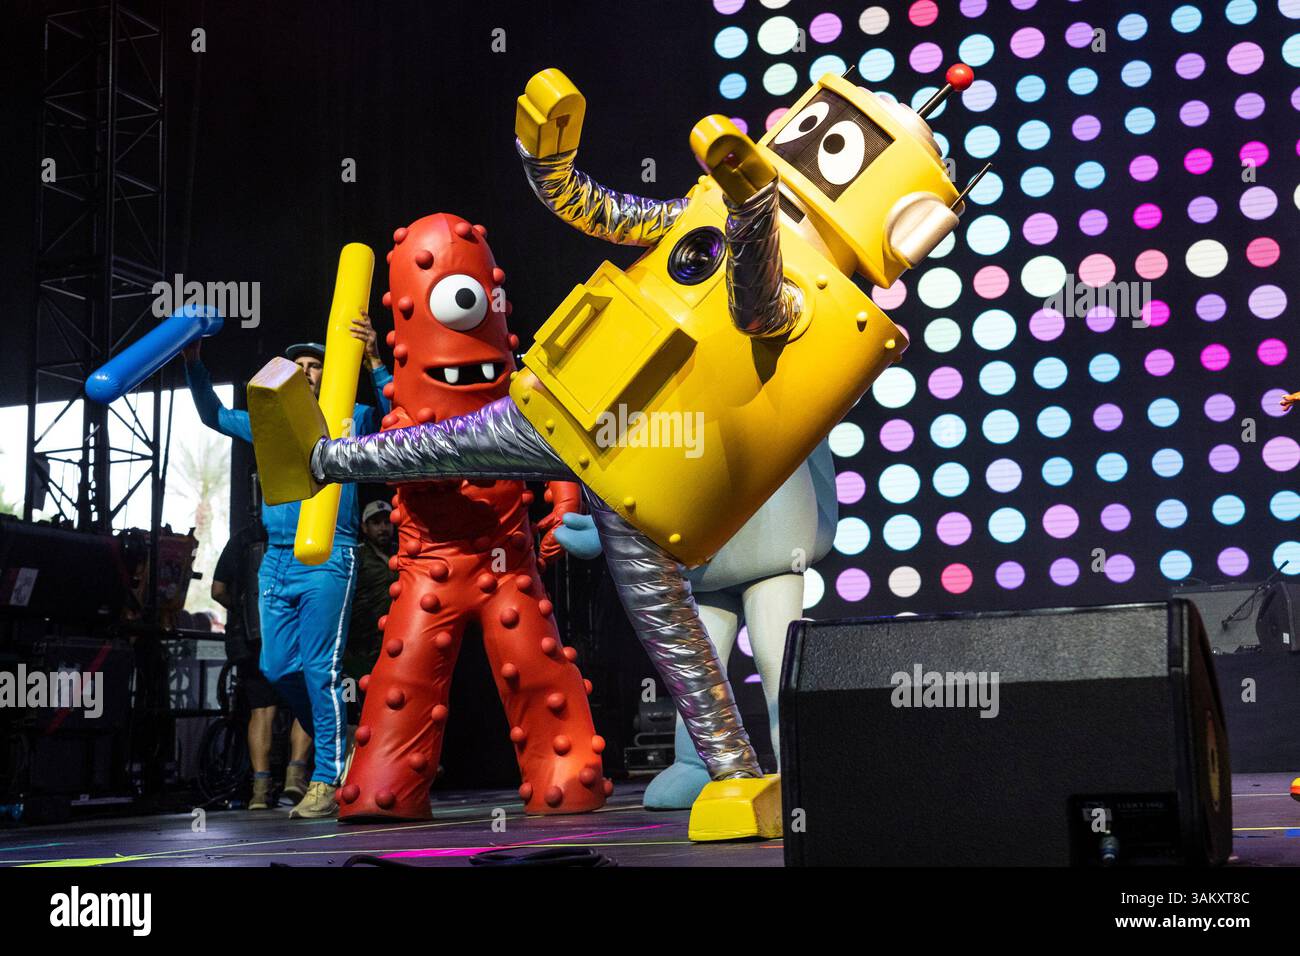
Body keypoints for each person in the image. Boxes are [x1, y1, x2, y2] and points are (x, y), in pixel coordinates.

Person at [183, 313, 390, 818]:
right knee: (276, 666)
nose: (306, 372)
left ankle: (326, 777)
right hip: (277, 558)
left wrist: (375, 360)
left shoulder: (352, 415)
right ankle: (335, 743)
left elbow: (398, 419)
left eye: (315, 365)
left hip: (330, 554)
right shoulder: (270, 421)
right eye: (298, 365)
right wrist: (193, 362)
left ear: (328, 373)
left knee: (321, 669)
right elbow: (213, 415)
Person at [211, 521, 314, 809]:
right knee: (305, 702)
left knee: (262, 711)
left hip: (250, 638)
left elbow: (217, 590)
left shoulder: (243, 537)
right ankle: (295, 774)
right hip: (293, 634)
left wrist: (242, 608)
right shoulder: (303, 533)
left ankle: (260, 789)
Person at [342, 499, 397, 695]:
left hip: (393, 638)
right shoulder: (355, 556)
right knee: (356, 696)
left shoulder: (402, 553)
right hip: (361, 642)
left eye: (387, 522)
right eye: (376, 523)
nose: (383, 528)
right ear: (364, 527)